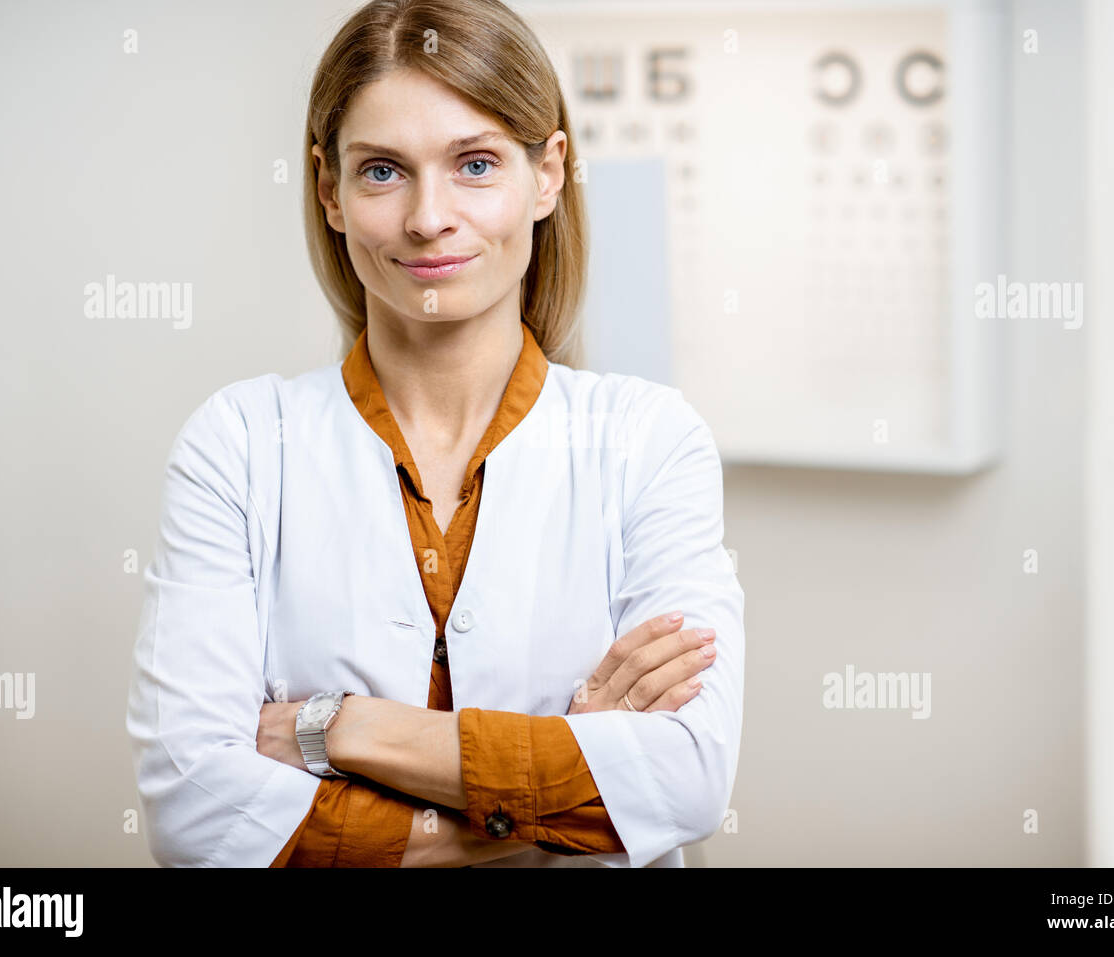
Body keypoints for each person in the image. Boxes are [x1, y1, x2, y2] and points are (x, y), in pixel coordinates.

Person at [126, 0, 744, 868]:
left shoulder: (649, 440)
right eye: (382, 171)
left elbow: (685, 780)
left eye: (476, 164)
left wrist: (338, 728)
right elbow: (194, 813)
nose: (428, 217)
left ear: (550, 173)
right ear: (328, 191)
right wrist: (548, 790)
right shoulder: (238, 442)